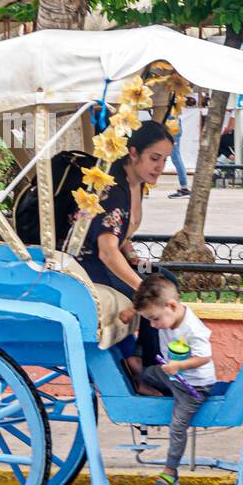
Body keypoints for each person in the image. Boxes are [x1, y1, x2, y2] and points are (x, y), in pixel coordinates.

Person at [74, 119, 173, 375]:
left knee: (164, 277)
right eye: (154, 158)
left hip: (112, 259)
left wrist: (133, 258)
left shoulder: (136, 184)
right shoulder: (114, 189)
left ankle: (142, 355)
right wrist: (141, 286)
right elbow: (107, 251)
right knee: (156, 290)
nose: (160, 167)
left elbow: (121, 236)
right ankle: (146, 367)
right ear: (133, 152)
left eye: (164, 160)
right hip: (90, 266)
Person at [128, 275, 216, 485]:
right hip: (173, 376)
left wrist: (180, 366)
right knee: (144, 373)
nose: (152, 324)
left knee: (177, 427)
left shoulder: (192, 329)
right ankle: (147, 383)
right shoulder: (167, 314)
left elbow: (205, 357)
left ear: (172, 306)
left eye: (154, 318)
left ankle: (170, 472)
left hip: (193, 387)